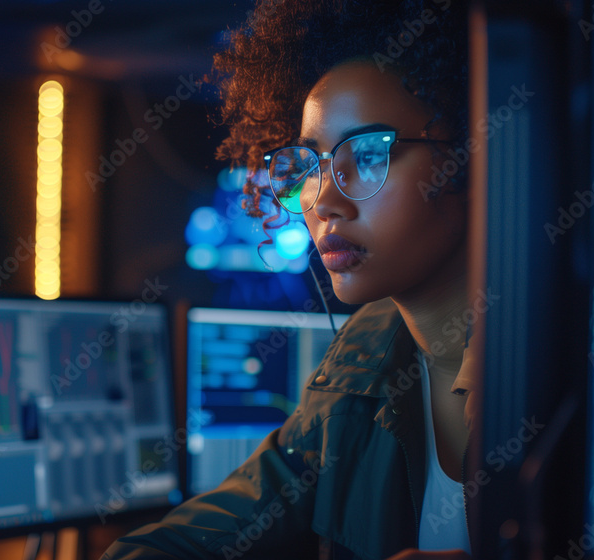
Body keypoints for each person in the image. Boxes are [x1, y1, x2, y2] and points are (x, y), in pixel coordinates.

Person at [102, 0, 480, 558]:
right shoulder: (362, 354)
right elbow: (218, 528)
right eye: (309, 163)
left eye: (370, 155)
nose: (324, 200)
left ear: (477, 158)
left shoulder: (584, 366)